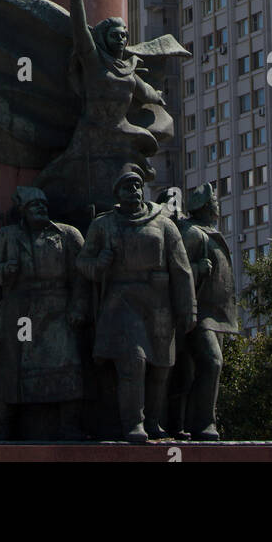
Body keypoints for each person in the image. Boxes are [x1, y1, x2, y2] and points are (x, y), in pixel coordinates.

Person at [36, 0, 176, 224]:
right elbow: (79, 30)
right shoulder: (92, 62)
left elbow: (147, 94)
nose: (121, 39)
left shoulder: (130, 71)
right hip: (90, 132)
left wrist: (159, 96)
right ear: (104, 38)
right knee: (65, 174)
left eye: (124, 35)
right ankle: (43, 207)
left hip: (121, 133)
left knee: (124, 180)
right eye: (115, 35)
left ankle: (121, 225)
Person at [78, 166, 197, 443]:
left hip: (158, 304)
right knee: (133, 362)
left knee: (161, 367)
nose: (133, 190)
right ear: (117, 193)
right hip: (121, 302)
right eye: (127, 187)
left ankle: (154, 423)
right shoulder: (103, 224)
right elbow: (83, 263)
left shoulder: (164, 224)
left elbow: (182, 269)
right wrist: (99, 264)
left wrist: (187, 308)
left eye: (137, 185)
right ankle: (134, 423)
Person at [0, 186, 89, 441]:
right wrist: (5, 270)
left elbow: (81, 276)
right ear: (22, 211)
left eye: (43, 205)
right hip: (20, 310)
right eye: (34, 205)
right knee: (12, 368)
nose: (40, 209)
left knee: (67, 364)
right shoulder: (8, 235)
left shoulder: (67, 234)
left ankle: (70, 426)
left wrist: (78, 306)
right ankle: (5, 428)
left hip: (57, 306)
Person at [167, 183, 237, 440]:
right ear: (208, 206)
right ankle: (203, 423)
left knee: (203, 369)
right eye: (215, 201)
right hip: (197, 313)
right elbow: (177, 271)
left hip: (216, 314)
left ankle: (202, 422)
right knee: (211, 362)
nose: (218, 205)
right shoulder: (193, 234)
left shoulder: (209, 232)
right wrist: (198, 268)